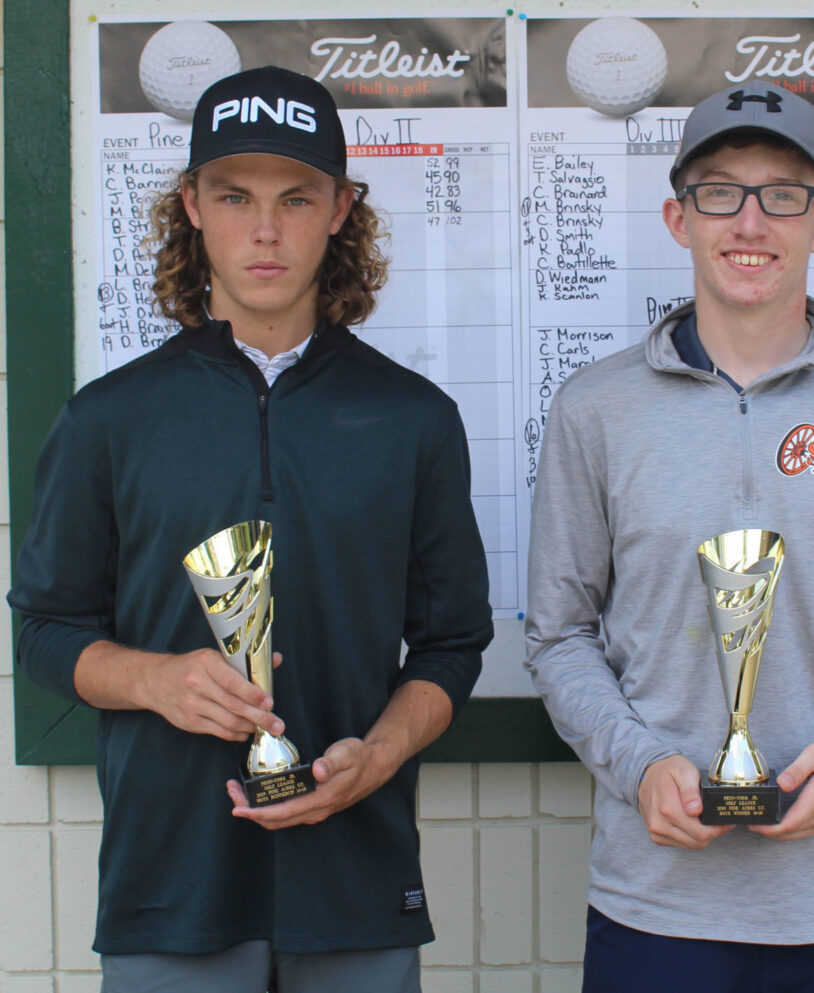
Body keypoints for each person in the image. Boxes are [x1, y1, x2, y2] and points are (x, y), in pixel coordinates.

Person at [9, 66, 493, 993]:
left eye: (296, 196)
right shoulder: (108, 418)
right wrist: (156, 679)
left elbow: (452, 643)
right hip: (171, 888)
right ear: (191, 204)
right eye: (236, 196)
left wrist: (380, 753)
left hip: (356, 874)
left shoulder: (413, 417)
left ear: (341, 207)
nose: (265, 229)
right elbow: (43, 631)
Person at [525, 82, 814, 993]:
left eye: (783, 193)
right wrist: (639, 761)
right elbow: (557, 633)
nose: (751, 220)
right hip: (657, 904)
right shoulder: (595, 410)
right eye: (720, 191)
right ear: (679, 217)